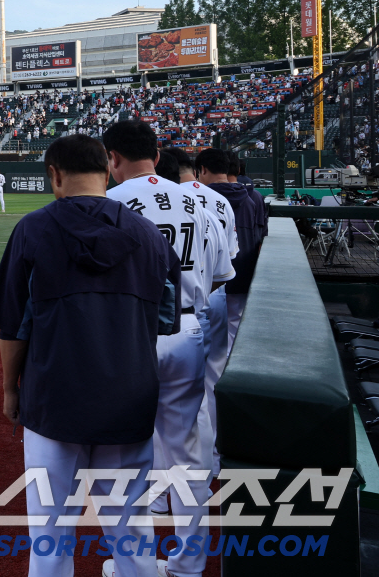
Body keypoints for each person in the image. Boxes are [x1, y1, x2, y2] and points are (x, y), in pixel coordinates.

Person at [0, 133, 181, 577]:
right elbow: (166, 320)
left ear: (54, 174)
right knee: (131, 534)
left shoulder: (32, 230)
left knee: (50, 535)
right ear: (107, 170)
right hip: (129, 397)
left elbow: (14, 327)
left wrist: (9, 391)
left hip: (54, 399)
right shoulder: (147, 235)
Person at [104, 122, 232, 577]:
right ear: (157, 155)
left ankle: (133, 566)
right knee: (188, 454)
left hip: (131, 335)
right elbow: (220, 276)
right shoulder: (200, 199)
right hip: (189, 329)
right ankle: (187, 566)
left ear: (111, 158)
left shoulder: (110, 202)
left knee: (124, 455)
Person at [164, 146, 236, 476]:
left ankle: (159, 497)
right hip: (208, 301)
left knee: (156, 411)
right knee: (205, 395)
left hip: (164, 314)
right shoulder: (214, 203)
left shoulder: (168, 199)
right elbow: (226, 268)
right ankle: (212, 467)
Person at [195, 148, 266, 353]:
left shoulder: (198, 199)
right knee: (235, 330)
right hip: (241, 270)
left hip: (209, 274)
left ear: (202, 169)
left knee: (206, 335)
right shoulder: (251, 198)